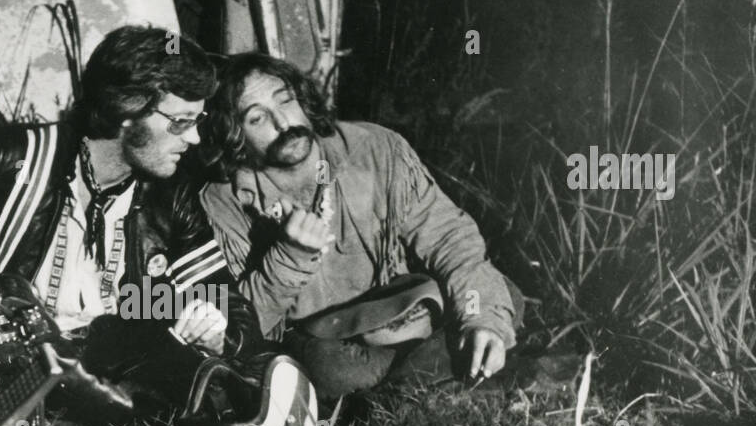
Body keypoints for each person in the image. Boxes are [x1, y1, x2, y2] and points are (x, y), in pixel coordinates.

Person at [0, 24, 263, 414]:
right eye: (181, 122)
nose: (196, 139)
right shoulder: (18, 161)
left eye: (197, 121)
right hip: (1, 380)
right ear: (127, 109)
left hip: (101, 384)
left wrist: (218, 333)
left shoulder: (167, 198)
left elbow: (235, 313)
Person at [199, 52, 524, 401]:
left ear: (302, 101)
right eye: (257, 118)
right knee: (329, 369)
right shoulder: (224, 201)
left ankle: (391, 392)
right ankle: (434, 379)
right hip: (321, 343)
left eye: (286, 101)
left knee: (500, 297)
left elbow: (449, 238)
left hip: (396, 313)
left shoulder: (373, 148)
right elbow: (242, 326)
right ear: (235, 135)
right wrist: (290, 258)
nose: (283, 122)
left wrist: (482, 321)